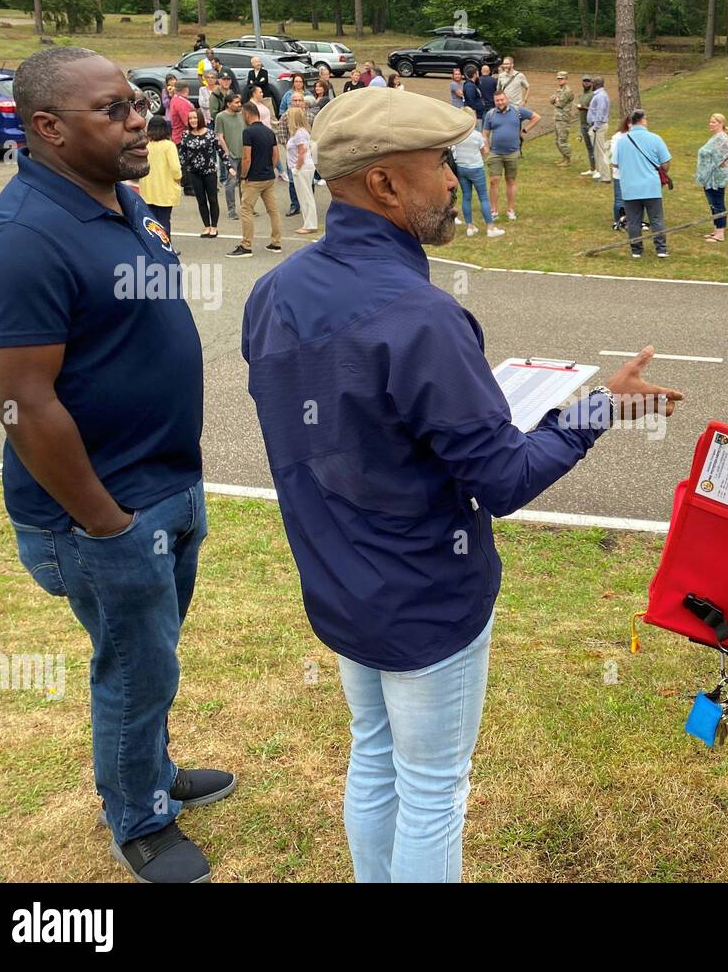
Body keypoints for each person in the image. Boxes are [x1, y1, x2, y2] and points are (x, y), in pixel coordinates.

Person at [241, 88, 682, 883]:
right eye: (440, 163)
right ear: (383, 185)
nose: (454, 179)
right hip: (425, 594)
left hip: (338, 580)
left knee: (375, 755)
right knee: (435, 788)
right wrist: (599, 405)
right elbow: (505, 478)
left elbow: (333, 427)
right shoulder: (423, 316)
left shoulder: (275, 289)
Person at [0, 46, 232, 885]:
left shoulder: (123, 201)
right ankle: (140, 818)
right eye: (111, 109)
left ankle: (150, 768)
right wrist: (106, 522)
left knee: (156, 657)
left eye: (136, 102)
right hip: (104, 512)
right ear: (46, 127)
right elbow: (23, 405)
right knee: (132, 667)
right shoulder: (18, 241)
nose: (138, 118)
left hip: (167, 484)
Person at [614, 109, 671, 258]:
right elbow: (665, 162)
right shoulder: (655, 138)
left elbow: (615, 164)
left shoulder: (622, 141)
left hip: (629, 187)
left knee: (633, 220)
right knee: (656, 219)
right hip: (651, 186)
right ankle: (661, 249)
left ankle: (636, 250)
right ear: (643, 120)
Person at [227, 102, 281, 257]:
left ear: (246, 114)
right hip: (268, 176)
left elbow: (246, 158)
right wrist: (270, 168)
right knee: (273, 210)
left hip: (254, 179)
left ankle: (246, 245)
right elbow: (276, 155)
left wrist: (243, 176)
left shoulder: (248, 132)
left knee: (246, 210)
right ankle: (276, 242)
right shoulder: (269, 132)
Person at [482, 90, 539, 222]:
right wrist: (487, 147)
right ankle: (493, 211)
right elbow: (485, 133)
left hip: (512, 153)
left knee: (510, 181)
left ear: (506, 99)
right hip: (495, 153)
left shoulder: (517, 111)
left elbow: (536, 117)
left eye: (502, 100)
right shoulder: (490, 114)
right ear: (494, 101)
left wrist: (525, 130)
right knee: (494, 181)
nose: (500, 102)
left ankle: (510, 210)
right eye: (497, 100)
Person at [452, 121, 502, 238]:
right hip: (476, 169)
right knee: (483, 197)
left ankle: (470, 227)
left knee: (466, 197)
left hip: (461, 168)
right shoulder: (477, 135)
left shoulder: (457, 135)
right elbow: (485, 151)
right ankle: (490, 227)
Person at [179, 107, 222, 238]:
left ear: (200, 119)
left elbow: (219, 150)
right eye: (190, 118)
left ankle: (214, 226)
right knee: (201, 200)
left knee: (212, 199)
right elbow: (182, 155)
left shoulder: (209, 133)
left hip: (209, 171)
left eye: (195, 118)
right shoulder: (186, 135)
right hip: (194, 172)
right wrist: (181, 171)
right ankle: (206, 226)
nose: (192, 120)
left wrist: (229, 166)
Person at [694, 112, 728, 243]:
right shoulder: (716, 137)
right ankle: (716, 230)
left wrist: (721, 162)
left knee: (718, 204)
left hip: (716, 177)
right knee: (713, 204)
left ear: (721, 124)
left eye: (713, 122)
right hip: (708, 176)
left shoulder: (722, 137)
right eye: (710, 121)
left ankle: (720, 234)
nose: (710, 124)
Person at [139, 115, 183, 238]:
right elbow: (175, 168)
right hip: (165, 189)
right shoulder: (169, 146)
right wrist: (178, 178)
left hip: (148, 189)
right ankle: (165, 248)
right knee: (164, 221)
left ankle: (153, 248)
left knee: (151, 222)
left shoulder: (145, 145)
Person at [285, 107, 317, 234]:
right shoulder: (301, 132)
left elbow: (302, 151)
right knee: (305, 195)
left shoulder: (299, 133)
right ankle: (308, 223)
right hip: (304, 166)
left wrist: (297, 169)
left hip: (302, 168)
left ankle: (310, 224)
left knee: (305, 196)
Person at [214, 92, 246, 215]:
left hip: (243, 153)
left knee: (244, 182)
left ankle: (246, 207)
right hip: (231, 155)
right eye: (236, 102)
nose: (239, 104)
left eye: (240, 102)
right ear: (228, 104)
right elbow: (219, 136)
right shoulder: (220, 117)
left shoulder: (241, 115)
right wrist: (226, 152)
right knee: (231, 182)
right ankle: (231, 210)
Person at [608, 114, 630, 231]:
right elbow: (614, 156)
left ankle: (631, 220)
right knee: (619, 200)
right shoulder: (618, 137)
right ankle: (618, 221)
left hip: (633, 173)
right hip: (620, 173)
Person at [587, 76, 611, 181]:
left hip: (598, 127)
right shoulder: (600, 95)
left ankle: (606, 177)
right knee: (598, 152)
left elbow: (600, 113)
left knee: (600, 152)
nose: (591, 85)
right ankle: (602, 175)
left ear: (596, 84)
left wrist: (595, 127)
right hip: (598, 126)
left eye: (592, 83)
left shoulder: (600, 96)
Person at [550, 70, 574, 167]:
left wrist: (555, 99)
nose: (559, 80)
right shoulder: (559, 90)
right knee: (557, 140)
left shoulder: (567, 91)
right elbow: (551, 100)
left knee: (562, 140)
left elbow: (560, 103)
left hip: (564, 119)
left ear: (566, 79)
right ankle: (564, 157)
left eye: (561, 79)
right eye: (558, 79)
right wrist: (555, 99)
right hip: (558, 118)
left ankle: (567, 159)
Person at [577, 75, 596, 174]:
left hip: (591, 124)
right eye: (584, 81)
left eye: (588, 81)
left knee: (595, 147)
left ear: (592, 83)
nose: (586, 83)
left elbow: (596, 109)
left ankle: (598, 168)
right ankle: (593, 168)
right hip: (583, 124)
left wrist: (585, 108)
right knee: (589, 147)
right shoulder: (582, 95)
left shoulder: (593, 95)